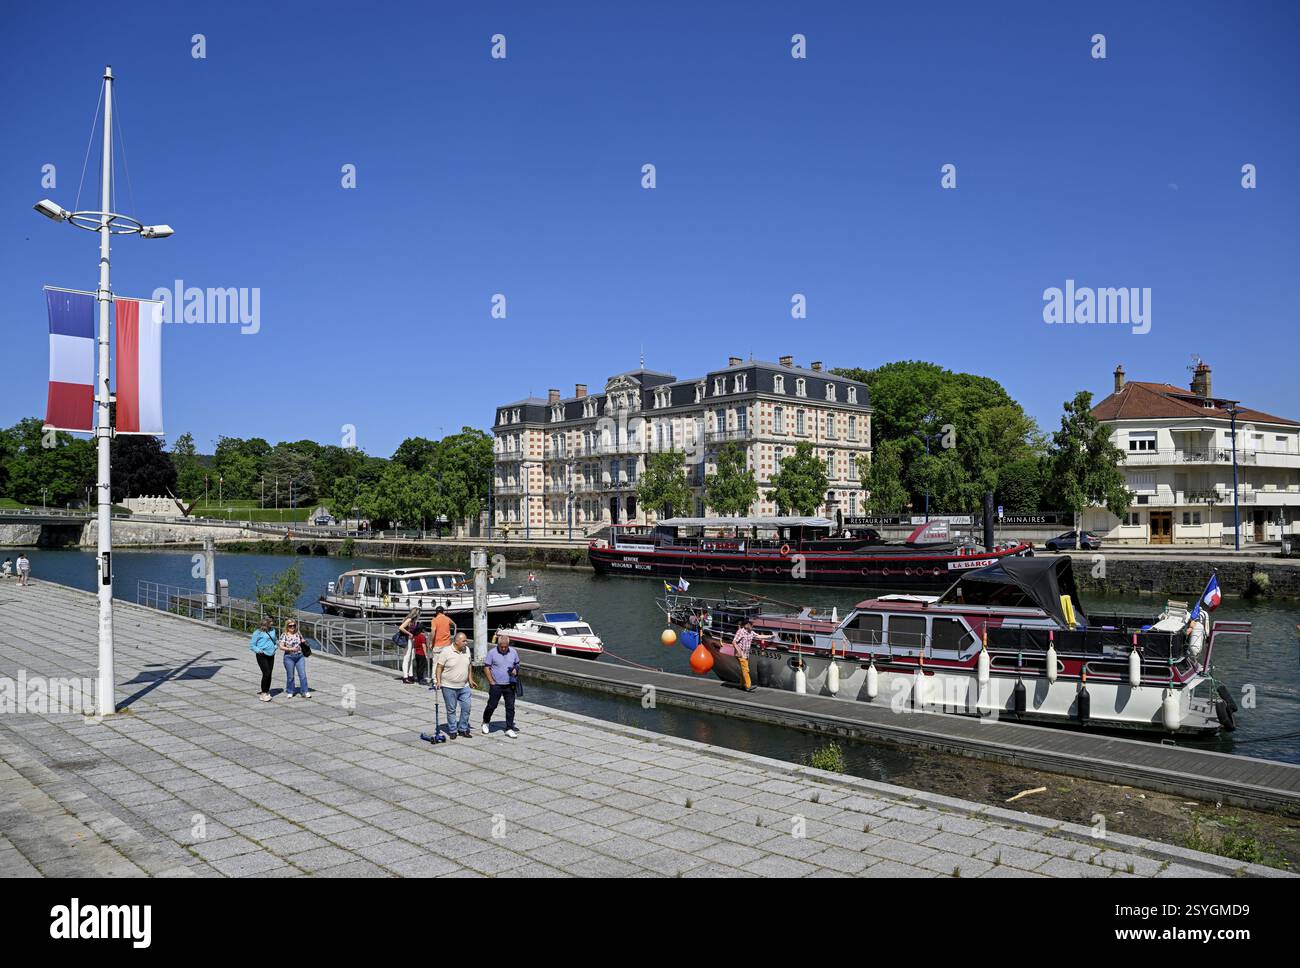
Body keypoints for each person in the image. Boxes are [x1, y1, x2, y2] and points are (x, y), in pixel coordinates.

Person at [435, 632, 474, 739]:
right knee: (451, 709)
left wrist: (470, 679)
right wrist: (438, 681)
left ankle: (463, 729)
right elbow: (439, 667)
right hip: (448, 686)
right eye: (464, 641)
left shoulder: (467, 650)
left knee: (467, 707)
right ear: (456, 641)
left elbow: (469, 665)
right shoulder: (446, 651)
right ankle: (453, 730)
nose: (466, 643)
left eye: (466, 641)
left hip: (464, 686)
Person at [482, 633, 520, 738]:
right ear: (498, 645)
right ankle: (485, 722)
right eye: (501, 647)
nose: (503, 648)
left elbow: (517, 663)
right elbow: (486, 667)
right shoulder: (492, 653)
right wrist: (491, 681)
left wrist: (515, 670)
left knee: (510, 707)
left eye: (505, 647)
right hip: (496, 685)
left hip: (510, 684)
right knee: (492, 705)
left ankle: (509, 728)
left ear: (508, 645)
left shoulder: (513, 652)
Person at [279, 618, 311, 698]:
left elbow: (303, 642)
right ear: (287, 626)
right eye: (290, 626)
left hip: (300, 656)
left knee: (302, 675)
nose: (292, 627)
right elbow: (281, 647)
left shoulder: (298, 634)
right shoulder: (284, 635)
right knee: (290, 676)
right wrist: (290, 649)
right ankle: (290, 691)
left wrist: (306, 644)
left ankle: (305, 691)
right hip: (289, 657)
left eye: (294, 625)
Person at [249, 617, 278, 702]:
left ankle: (267, 690)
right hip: (262, 655)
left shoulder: (273, 630)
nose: (273, 623)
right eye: (271, 622)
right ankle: (263, 693)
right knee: (266, 672)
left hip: (271, 654)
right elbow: (252, 645)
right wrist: (258, 650)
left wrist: (275, 647)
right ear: (267, 623)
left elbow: (275, 640)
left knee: (269, 673)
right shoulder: (257, 632)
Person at [732, 618, 756, 692]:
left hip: (746, 655)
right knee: (746, 670)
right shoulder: (741, 632)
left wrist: (770, 636)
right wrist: (738, 650)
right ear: (746, 625)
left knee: (743, 670)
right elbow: (734, 642)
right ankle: (748, 686)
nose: (752, 625)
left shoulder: (751, 632)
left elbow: (758, 636)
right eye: (751, 624)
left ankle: (742, 685)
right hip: (741, 654)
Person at [398, 607, 421, 684]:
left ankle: (410, 675)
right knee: (406, 658)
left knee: (411, 658)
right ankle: (405, 677)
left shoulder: (413, 621)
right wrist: (409, 633)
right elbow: (401, 627)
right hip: (407, 640)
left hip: (411, 640)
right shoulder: (409, 620)